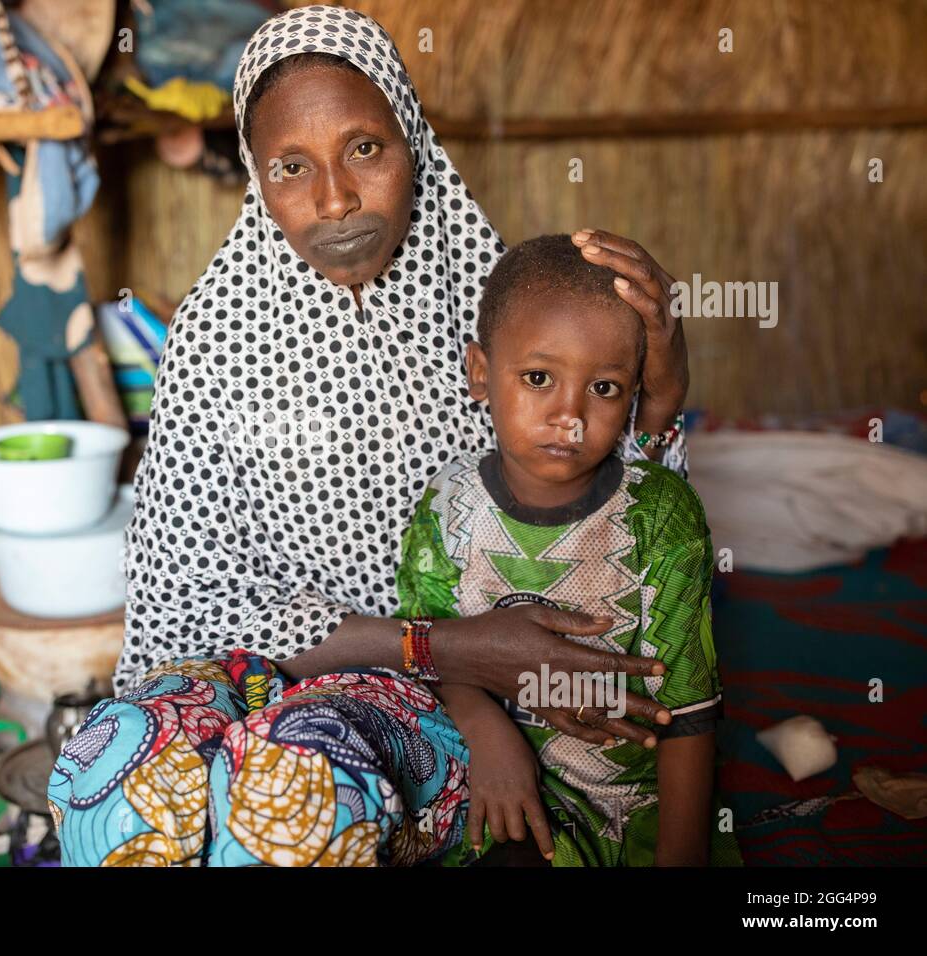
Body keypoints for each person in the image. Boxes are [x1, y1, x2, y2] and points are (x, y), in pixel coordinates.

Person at [48, 6, 694, 867]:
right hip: (254, 666)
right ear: (256, 177)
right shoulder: (215, 337)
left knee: (293, 789)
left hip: (446, 697)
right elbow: (188, 602)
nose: (335, 198)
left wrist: (662, 395)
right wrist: (445, 641)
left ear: (412, 141)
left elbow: (611, 525)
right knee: (112, 775)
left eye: (364, 148)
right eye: (291, 167)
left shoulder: (503, 316)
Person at [395, 235, 739, 866]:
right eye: (537, 378)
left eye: (605, 388)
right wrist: (489, 732)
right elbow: (430, 649)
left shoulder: (657, 516)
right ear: (479, 372)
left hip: (625, 804)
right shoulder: (450, 506)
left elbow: (689, 708)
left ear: (634, 389)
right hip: (495, 791)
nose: (570, 416)